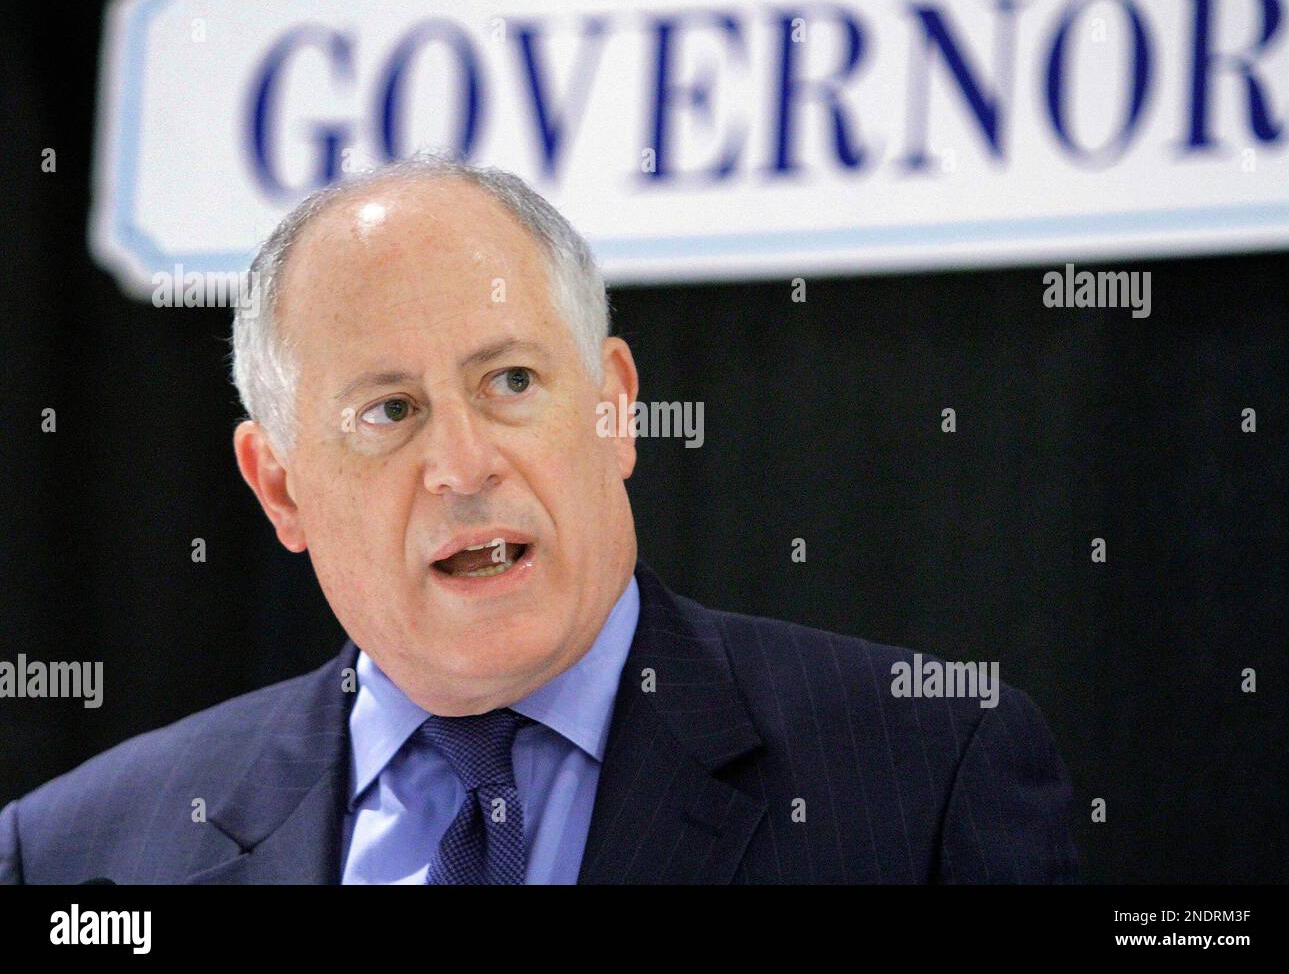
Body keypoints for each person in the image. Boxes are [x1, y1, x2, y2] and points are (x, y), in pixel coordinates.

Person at [0, 154, 1081, 884]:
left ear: (615, 406)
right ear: (279, 484)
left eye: (511, 380)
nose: (463, 464)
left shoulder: (922, 776)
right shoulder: (75, 853)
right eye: (389, 410)